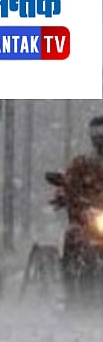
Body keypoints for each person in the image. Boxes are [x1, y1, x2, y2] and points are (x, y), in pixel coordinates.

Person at [55, 115, 103, 303]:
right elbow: (67, 183)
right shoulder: (82, 163)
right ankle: (71, 283)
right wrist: (62, 195)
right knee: (73, 236)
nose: (100, 138)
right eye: (97, 133)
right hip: (85, 220)